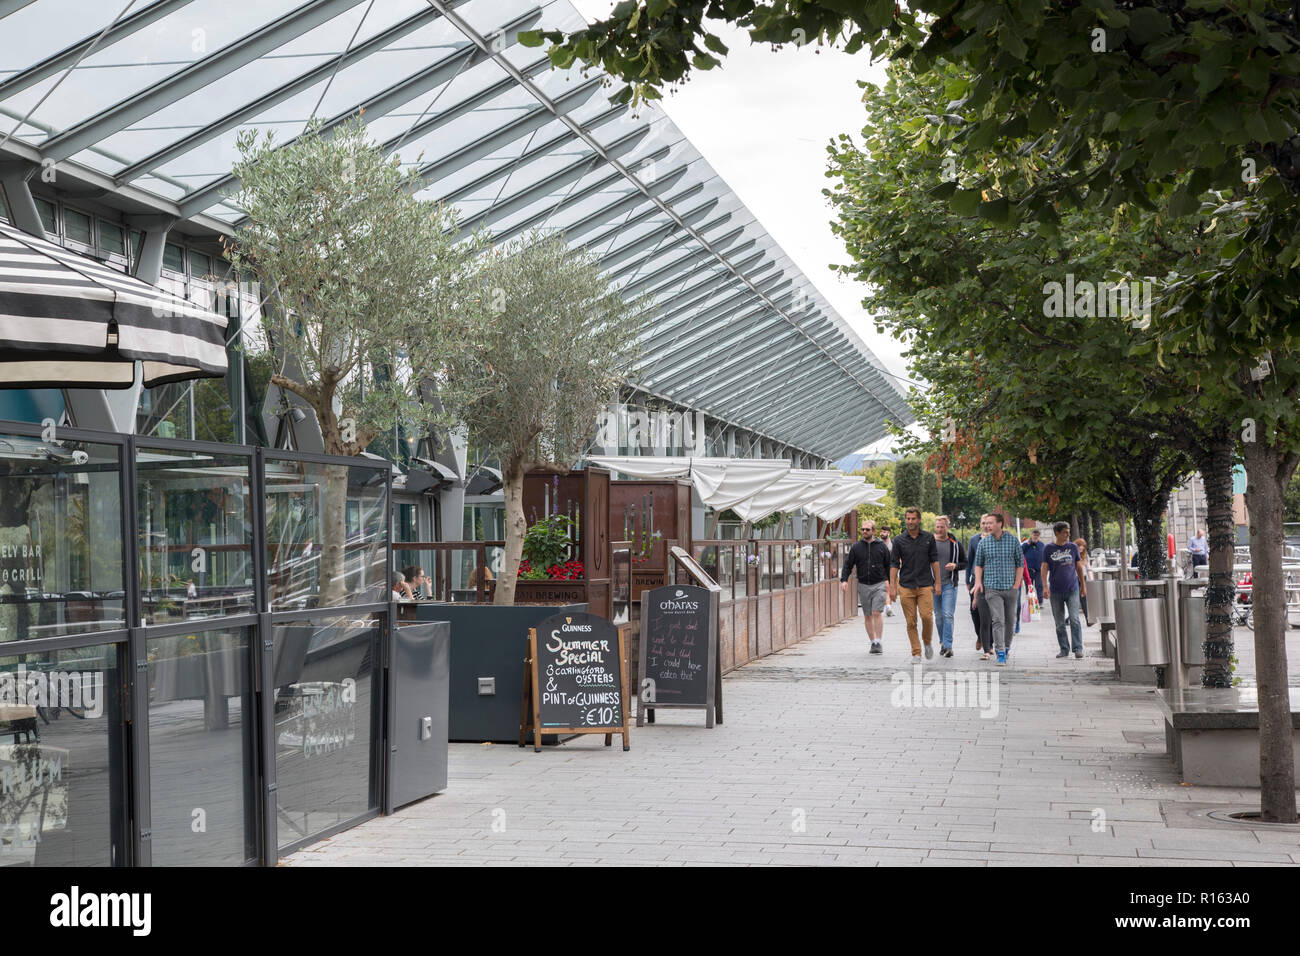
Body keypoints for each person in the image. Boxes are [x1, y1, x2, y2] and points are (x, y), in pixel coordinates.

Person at [889, 507, 941, 661]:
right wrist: (892, 586)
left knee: (926, 617)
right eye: (908, 519)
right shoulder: (898, 540)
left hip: (925, 584)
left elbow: (934, 561)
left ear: (919, 520)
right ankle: (916, 652)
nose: (910, 521)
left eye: (913, 519)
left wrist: (938, 582)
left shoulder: (928, 538)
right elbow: (894, 564)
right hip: (906, 585)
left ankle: (927, 642)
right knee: (911, 621)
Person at [973, 512, 1023, 666]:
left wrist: (1016, 585)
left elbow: (1020, 564)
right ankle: (1000, 652)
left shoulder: (1013, 541)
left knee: (1010, 621)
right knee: (998, 620)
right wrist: (978, 582)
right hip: (992, 588)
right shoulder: (984, 543)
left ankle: (1006, 647)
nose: (987, 526)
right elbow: (978, 565)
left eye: (990, 523)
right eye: (986, 523)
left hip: (1010, 588)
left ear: (1000, 524)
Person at [840, 518, 892, 655]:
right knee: (868, 615)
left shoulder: (882, 547)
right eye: (862, 529)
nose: (864, 531)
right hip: (863, 584)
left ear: (873, 531)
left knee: (876, 612)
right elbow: (848, 564)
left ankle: (879, 641)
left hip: (879, 583)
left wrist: (889, 582)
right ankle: (873, 642)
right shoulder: (857, 547)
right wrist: (844, 580)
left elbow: (889, 565)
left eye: (867, 529)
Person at [1041, 522, 1086, 659]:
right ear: (1057, 533)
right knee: (1059, 623)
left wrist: (1083, 586)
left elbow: (1079, 567)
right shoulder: (1049, 548)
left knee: (1074, 619)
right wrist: (1045, 587)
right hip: (1055, 591)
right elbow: (1044, 568)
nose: (1068, 535)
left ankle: (1078, 648)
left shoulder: (1073, 547)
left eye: (1068, 532)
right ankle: (1064, 649)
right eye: (1065, 532)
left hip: (1072, 588)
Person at [932, 515, 965, 658]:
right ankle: (942, 642)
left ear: (947, 527)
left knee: (948, 614)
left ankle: (948, 645)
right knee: (938, 616)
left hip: (950, 584)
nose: (939, 529)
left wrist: (955, 566)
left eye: (942, 527)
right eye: (937, 527)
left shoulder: (955, 543)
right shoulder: (930, 542)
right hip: (933, 585)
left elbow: (965, 562)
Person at [966, 517, 994, 658]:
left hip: (991, 581)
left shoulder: (996, 540)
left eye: (988, 523)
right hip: (975, 580)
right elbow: (970, 560)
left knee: (989, 615)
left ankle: (989, 644)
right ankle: (980, 636)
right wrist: (967, 580)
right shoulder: (974, 540)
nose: (985, 526)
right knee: (975, 611)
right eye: (983, 523)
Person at [1021, 528, 1045, 609]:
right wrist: (1027, 544)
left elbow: (1044, 556)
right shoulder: (1025, 544)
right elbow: (1020, 552)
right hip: (1028, 570)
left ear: (1039, 536)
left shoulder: (1041, 545)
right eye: (1034, 535)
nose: (1035, 537)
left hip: (1038, 570)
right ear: (1031, 535)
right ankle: (1029, 602)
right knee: (1029, 586)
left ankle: (1040, 602)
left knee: (1039, 586)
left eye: (1037, 536)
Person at [1074, 537, 1094, 624]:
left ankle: (1088, 620)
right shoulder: (1073, 554)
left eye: (1083, 546)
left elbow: (1088, 568)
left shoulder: (1085, 556)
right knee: (1075, 599)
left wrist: (1091, 579)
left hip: (1083, 578)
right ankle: (1068, 618)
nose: (1081, 548)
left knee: (1083, 599)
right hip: (1074, 578)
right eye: (1079, 546)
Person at [879, 524, 895, 616]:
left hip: (891, 569)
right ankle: (887, 606)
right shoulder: (877, 543)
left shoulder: (893, 544)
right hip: (880, 569)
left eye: (884, 532)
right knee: (886, 588)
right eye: (881, 532)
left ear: (888, 533)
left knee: (890, 588)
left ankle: (889, 607)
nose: (882, 533)